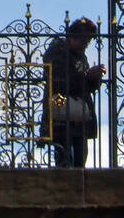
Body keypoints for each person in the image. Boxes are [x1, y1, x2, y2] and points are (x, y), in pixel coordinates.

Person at [42, 17, 105, 167]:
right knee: (64, 160)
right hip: (60, 116)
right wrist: (87, 76)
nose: (85, 46)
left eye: (88, 42)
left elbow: (85, 88)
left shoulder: (80, 55)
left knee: (79, 161)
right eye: (84, 41)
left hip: (78, 119)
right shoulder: (57, 52)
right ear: (72, 37)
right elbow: (59, 82)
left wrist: (94, 78)